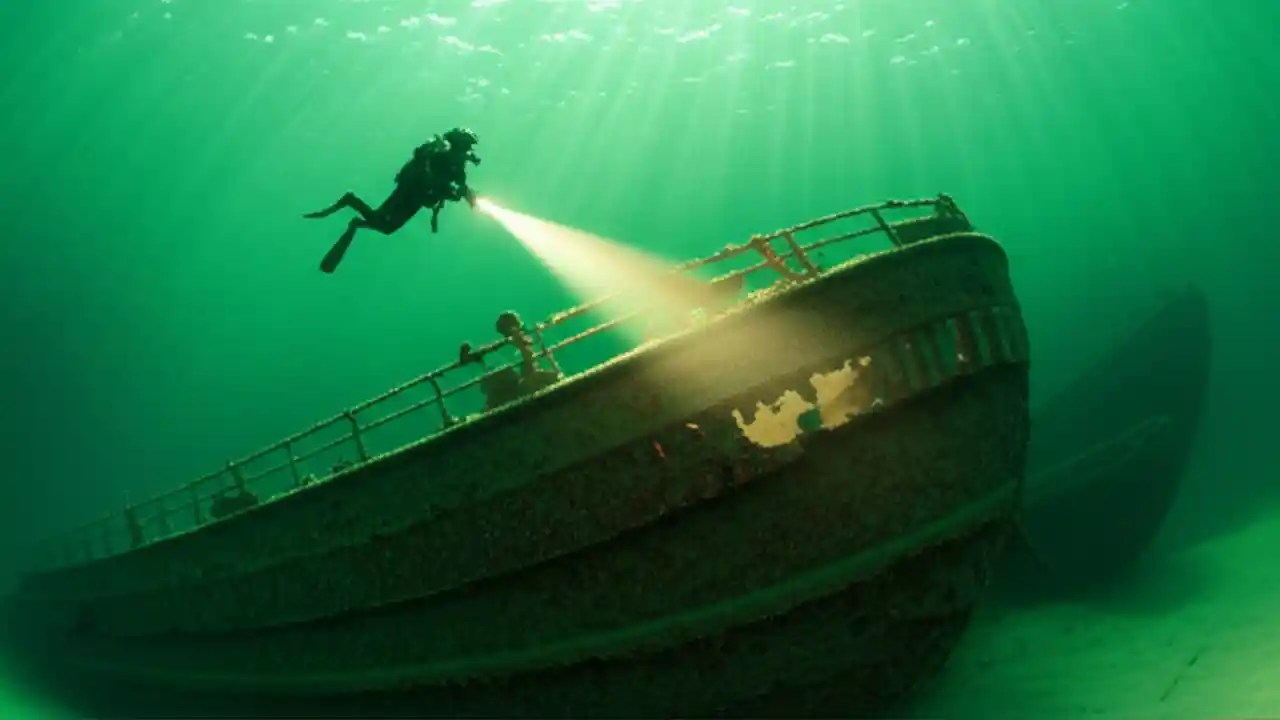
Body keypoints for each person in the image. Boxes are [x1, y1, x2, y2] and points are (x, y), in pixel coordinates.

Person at [304, 127, 482, 273]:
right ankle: (351, 202)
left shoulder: (458, 168)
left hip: (417, 199)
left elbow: (457, 187)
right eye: (466, 147)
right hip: (408, 193)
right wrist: (452, 191)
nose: (468, 152)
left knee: (386, 227)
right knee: (383, 224)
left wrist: (464, 195)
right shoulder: (440, 153)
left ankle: (356, 220)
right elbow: (423, 162)